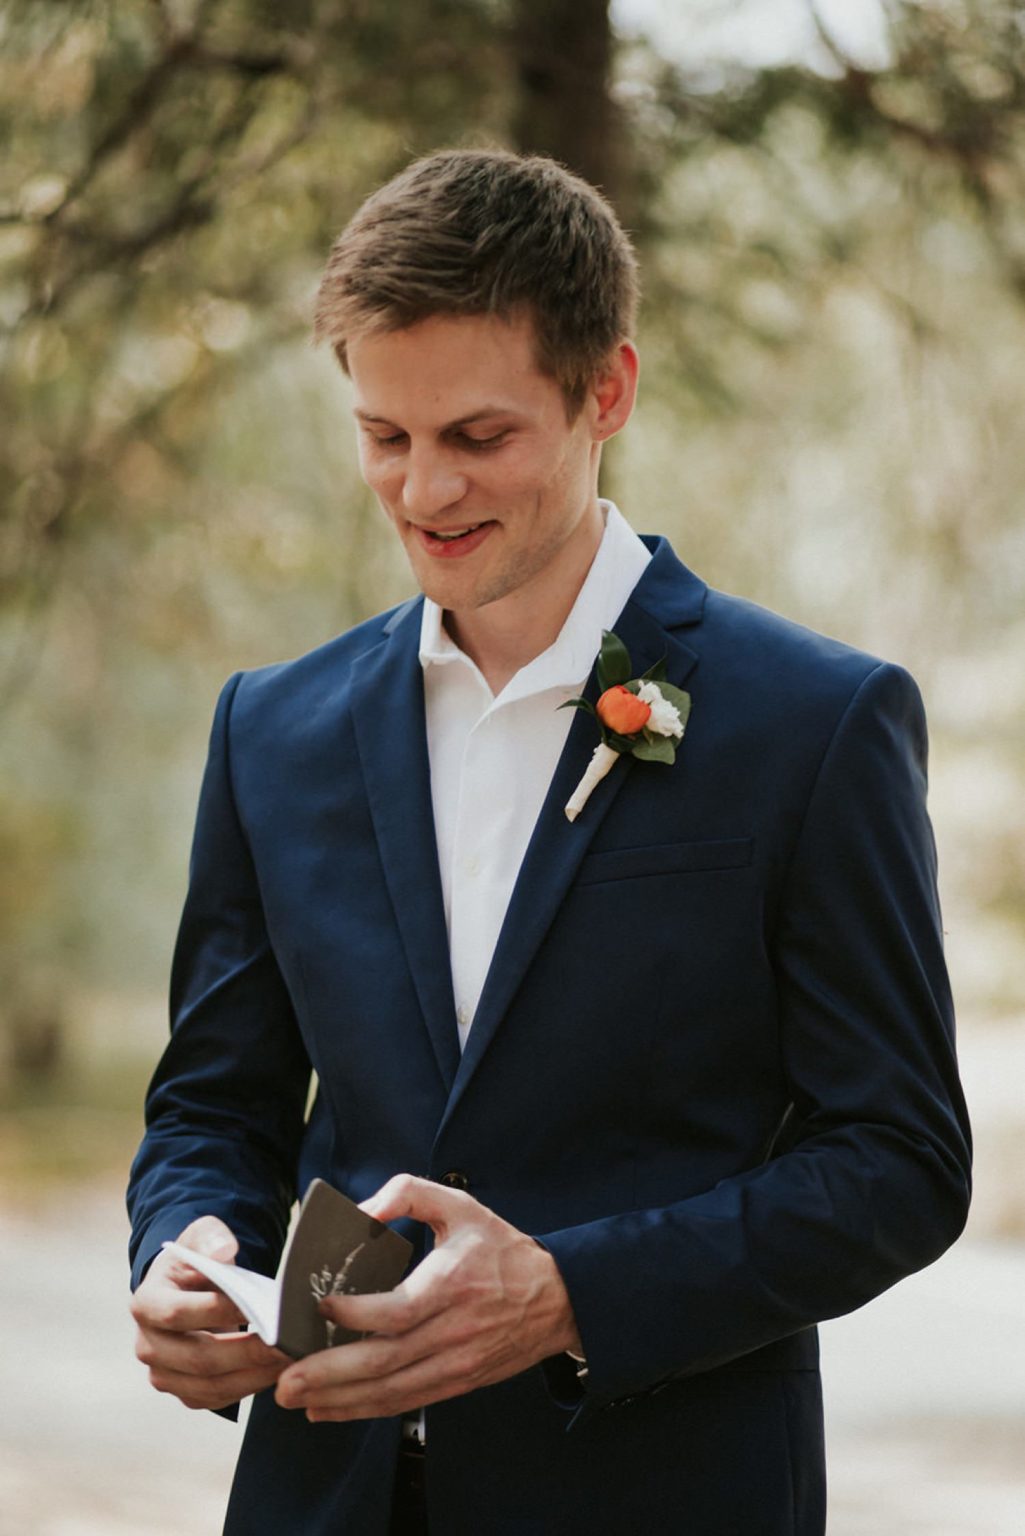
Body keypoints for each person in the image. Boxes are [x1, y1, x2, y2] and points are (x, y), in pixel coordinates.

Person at [127, 149, 971, 1536]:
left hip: (662, 1495)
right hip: (318, 1494)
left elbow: (897, 1159)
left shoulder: (812, 724)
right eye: (382, 436)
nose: (421, 493)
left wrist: (572, 1294)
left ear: (607, 394)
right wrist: (188, 1249)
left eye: (477, 437)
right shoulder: (271, 729)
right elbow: (213, 1107)